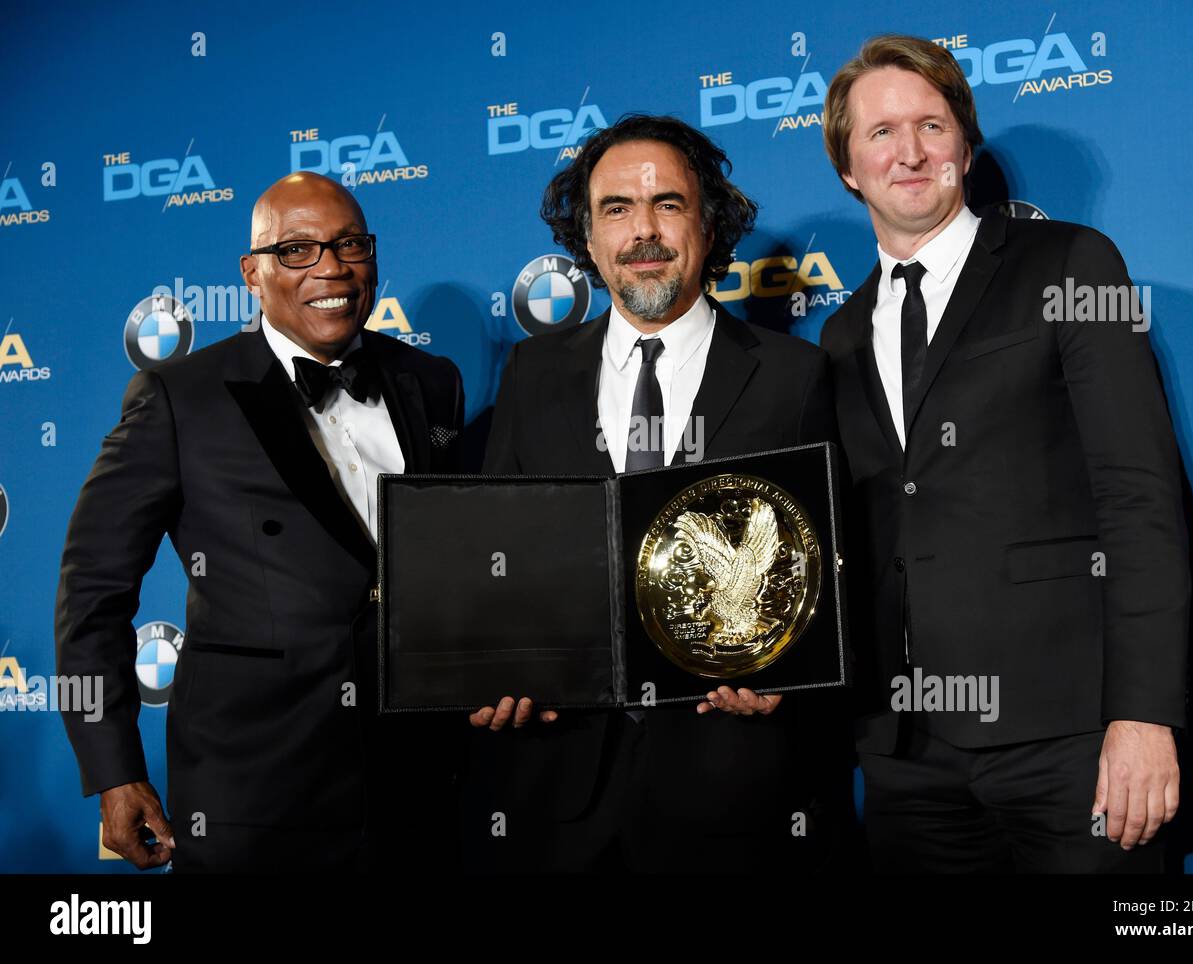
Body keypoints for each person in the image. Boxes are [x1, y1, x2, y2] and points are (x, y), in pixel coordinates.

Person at [818, 34, 1190, 872]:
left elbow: (1139, 496)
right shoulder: (839, 334)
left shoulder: (1067, 263)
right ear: (848, 166)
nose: (909, 152)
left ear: (966, 145)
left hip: (1071, 739)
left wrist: (1143, 717)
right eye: (880, 133)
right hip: (904, 753)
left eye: (931, 125)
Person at [464, 114, 852, 873]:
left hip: (732, 789)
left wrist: (785, 670)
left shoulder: (790, 375)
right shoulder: (531, 375)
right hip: (557, 790)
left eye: (668, 205)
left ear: (710, 223)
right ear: (587, 235)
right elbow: (496, 556)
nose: (644, 231)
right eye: (616, 209)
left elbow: (829, 562)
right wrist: (490, 668)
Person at [55, 172, 464, 873]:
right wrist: (114, 769)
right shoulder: (178, 398)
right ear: (252, 273)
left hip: (421, 778)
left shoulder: (430, 381)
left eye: (349, 245)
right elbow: (93, 591)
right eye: (298, 250)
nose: (331, 268)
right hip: (257, 786)